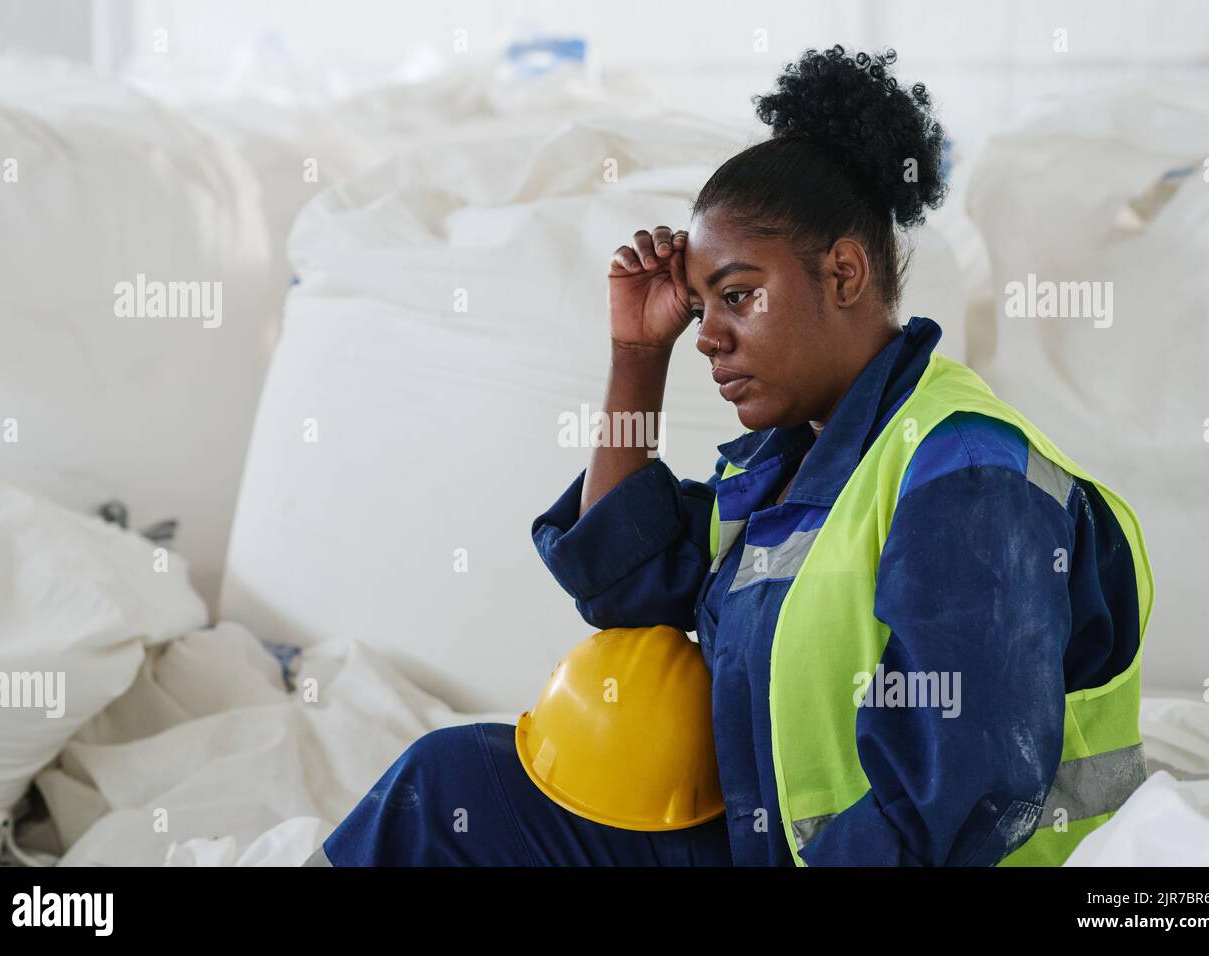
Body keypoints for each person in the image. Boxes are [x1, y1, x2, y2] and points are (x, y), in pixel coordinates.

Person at [307, 45, 1152, 868]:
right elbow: (622, 579)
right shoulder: (787, 467)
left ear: (846, 273)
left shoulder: (964, 472)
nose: (708, 336)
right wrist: (637, 356)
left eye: (740, 295)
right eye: (703, 303)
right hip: (760, 843)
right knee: (448, 782)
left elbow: (961, 791)